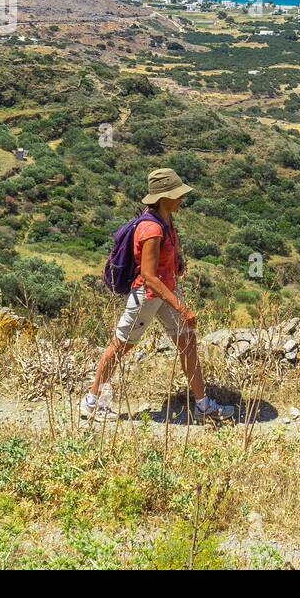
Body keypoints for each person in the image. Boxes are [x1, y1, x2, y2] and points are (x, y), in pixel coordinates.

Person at [81, 168, 235, 423]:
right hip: (148, 296)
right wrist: (181, 308)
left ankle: (203, 405)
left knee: (188, 345)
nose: (181, 199)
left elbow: (166, 255)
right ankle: (91, 402)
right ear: (164, 198)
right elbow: (150, 276)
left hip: (164, 293)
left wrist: (178, 261)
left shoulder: (165, 220)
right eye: (177, 195)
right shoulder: (151, 228)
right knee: (120, 346)